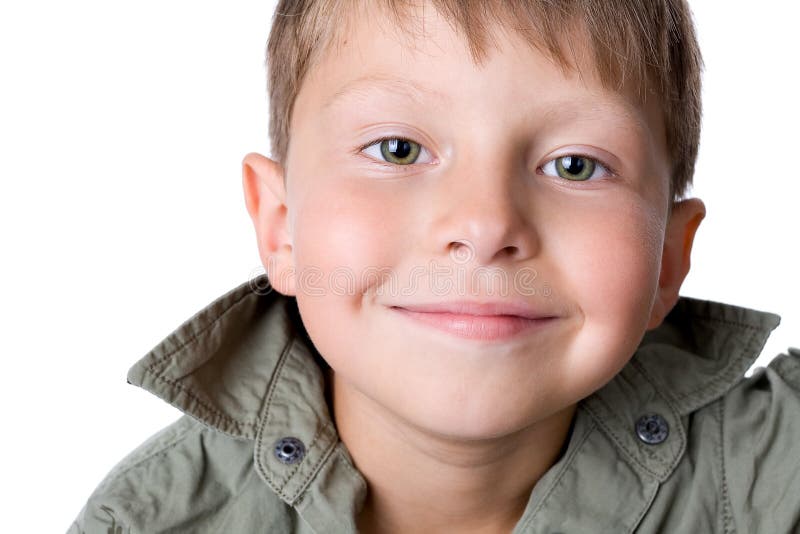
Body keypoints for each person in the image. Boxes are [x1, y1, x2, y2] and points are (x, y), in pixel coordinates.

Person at [68, 1, 800, 532]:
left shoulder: (772, 473)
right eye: (398, 149)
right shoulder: (148, 522)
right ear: (281, 226)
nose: (484, 226)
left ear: (669, 260)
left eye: (576, 165)